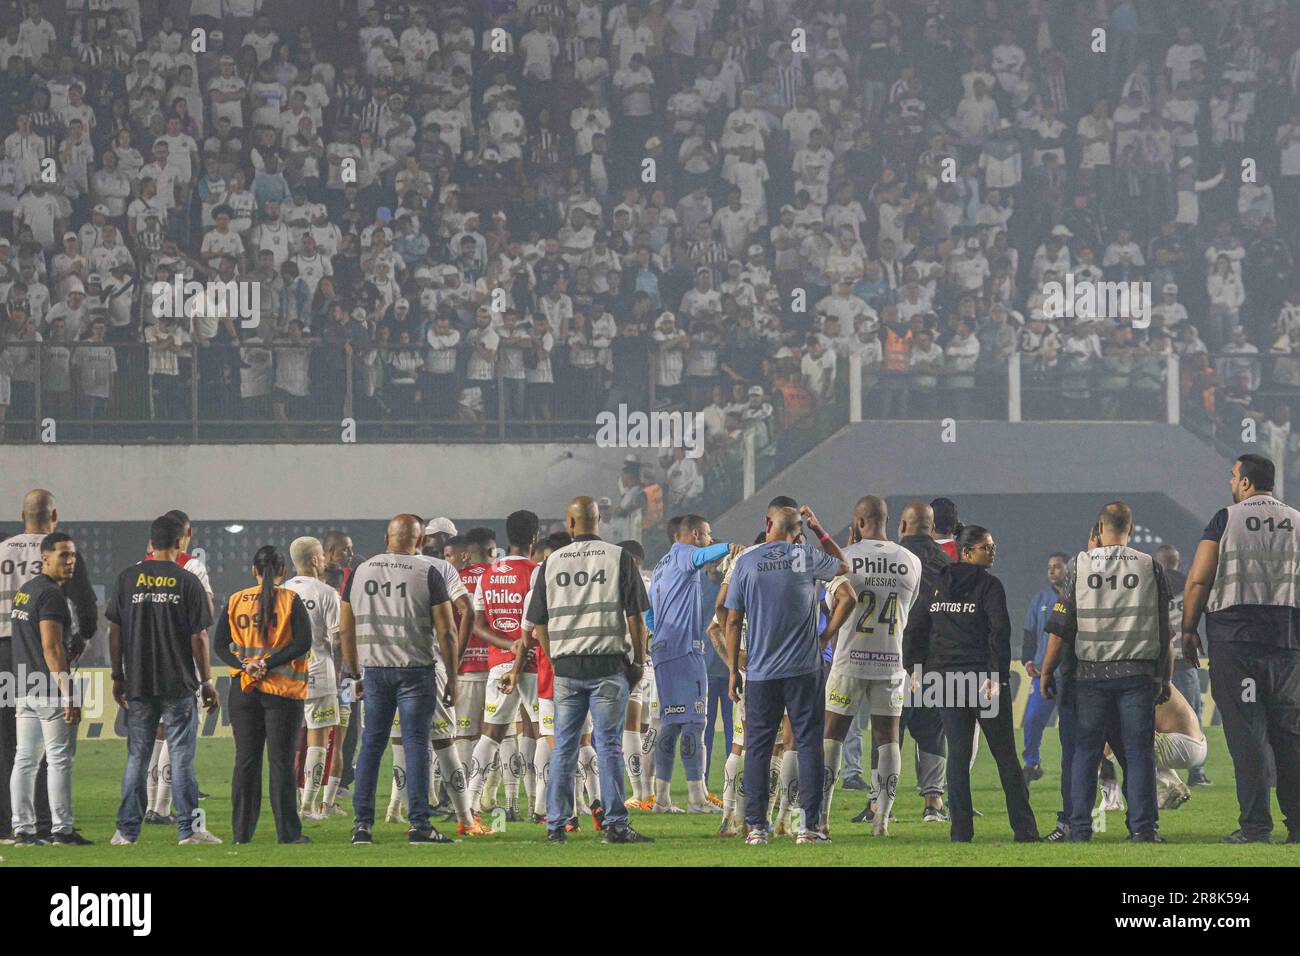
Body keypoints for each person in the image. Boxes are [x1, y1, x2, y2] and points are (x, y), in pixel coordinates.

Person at [1180, 454, 1300, 844]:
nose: (1231, 482)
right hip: (1287, 642)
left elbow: (1199, 580)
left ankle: (1255, 827)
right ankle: (1298, 826)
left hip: (1237, 642)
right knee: (1289, 734)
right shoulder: (1298, 520)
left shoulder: (1226, 518)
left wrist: (1188, 629)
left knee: (1247, 734)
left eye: (1234, 476)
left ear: (1246, 482)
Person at [524, 496, 653, 844]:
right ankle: (616, 825)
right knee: (608, 744)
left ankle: (556, 826)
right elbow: (636, 618)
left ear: (569, 523)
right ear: (599, 521)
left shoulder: (550, 564)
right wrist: (639, 661)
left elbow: (539, 624)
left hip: (566, 668)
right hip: (609, 665)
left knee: (563, 747)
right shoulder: (619, 557)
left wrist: (553, 659)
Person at [1041, 502, 1171, 843]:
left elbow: (1061, 626)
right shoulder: (1149, 566)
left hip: (1090, 676)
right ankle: (1143, 829)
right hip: (1137, 674)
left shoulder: (1079, 565)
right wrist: (1165, 678)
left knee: (1085, 752)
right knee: (1139, 752)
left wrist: (1046, 671)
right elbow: (1163, 631)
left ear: (1099, 529)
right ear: (1130, 528)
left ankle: (1080, 829)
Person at [903, 525, 1039, 843]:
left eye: (992, 546)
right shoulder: (989, 586)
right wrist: (997, 676)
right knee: (1005, 755)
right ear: (966, 551)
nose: (992, 552)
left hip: (945, 680)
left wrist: (915, 667)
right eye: (986, 547)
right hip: (981, 681)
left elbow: (916, 628)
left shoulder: (936, 584)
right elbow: (998, 632)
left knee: (958, 756)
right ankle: (1025, 830)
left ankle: (961, 832)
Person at [724, 504, 848, 845]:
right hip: (805, 669)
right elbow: (844, 566)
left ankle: (756, 829)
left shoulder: (746, 561)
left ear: (767, 523)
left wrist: (734, 669)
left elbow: (732, 620)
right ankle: (808, 828)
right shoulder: (804, 556)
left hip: (762, 672)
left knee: (758, 748)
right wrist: (820, 529)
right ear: (798, 529)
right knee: (808, 745)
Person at [339, 514, 459, 845]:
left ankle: (362, 825)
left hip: (374, 671)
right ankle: (419, 825)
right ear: (420, 542)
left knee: (372, 746)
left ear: (386, 538)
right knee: (417, 745)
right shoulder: (428, 572)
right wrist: (452, 677)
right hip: (416, 670)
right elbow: (447, 630)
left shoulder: (361, 572)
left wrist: (353, 671)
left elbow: (345, 627)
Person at [109, 514, 220, 845]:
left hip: (139, 682)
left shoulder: (128, 579)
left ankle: (126, 832)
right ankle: (189, 830)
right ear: (180, 542)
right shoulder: (187, 580)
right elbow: (199, 636)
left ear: (150, 542)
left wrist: (118, 675)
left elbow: (114, 631)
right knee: (182, 755)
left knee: (137, 757)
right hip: (179, 683)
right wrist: (207, 681)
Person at [820, 496, 922, 837]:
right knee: (887, 740)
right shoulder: (910, 560)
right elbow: (909, 607)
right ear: (887, 520)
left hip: (849, 658)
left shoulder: (845, 558)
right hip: (891, 660)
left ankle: (821, 819)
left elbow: (831, 604)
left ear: (858, 522)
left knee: (832, 734)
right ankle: (881, 822)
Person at [0, 489, 96, 845]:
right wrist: (69, 684)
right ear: (53, 515)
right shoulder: (55, 583)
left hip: (11, 660)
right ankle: (57, 826)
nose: (69, 561)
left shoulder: (9, 560)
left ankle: (17, 826)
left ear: (21, 514)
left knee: (17, 753)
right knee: (57, 757)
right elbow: (57, 640)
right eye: (65, 557)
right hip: (44, 664)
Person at [853, 502, 951, 825]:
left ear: (903, 526)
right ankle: (934, 802)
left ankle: (877, 806)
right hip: (933, 664)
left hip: (890, 658)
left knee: (886, 733)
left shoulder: (894, 558)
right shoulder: (947, 564)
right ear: (932, 527)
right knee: (933, 732)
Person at [214, 545, 313, 844]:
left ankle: (241, 833)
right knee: (282, 762)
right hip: (282, 691)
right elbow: (302, 643)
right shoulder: (290, 599)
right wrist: (268, 663)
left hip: (244, 690)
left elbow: (219, 645)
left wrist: (246, 665)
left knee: (246, 761)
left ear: (254, 570)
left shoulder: (235, 600)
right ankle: (287, 834)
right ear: (283, 571)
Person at [646, 514, 733, 814]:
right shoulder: (685, 553)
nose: (709, 539)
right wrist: (729, 547)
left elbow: (648, 613)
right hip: (685, 650)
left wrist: (659, 634)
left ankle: (662, 799)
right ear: (695, 534)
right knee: (695, 722)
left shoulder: (660, 567)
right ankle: (697, 798)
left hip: (663, 649)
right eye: (708, 534)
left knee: (670, 724)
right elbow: (704, 554)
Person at [466, 511, 541, 825]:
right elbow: (536, 624)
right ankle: (541, 809)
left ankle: (469, 804)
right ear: (534, 538)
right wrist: (519, 649)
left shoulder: (489, 574)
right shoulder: (537, 572)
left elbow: (477, 626)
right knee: (541, 733)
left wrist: (506, 646)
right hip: (533, 664)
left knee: (491, 735)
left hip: (499, 663)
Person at [281, 537, 343, 820]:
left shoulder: (280, 592)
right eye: (322, 557)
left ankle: (291, 804)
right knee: (319, 738)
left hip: (285, 675)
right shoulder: (326, 592)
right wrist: (343, 674)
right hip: (319, 671)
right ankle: (309, 806)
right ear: (316, 559)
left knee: (291, 739)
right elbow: (338, 639)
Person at [1155, 543, 1210, 787]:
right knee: (1192, 717)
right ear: (1177, 561)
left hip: (1157, 663)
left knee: (1155, 719)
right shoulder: (1190, 584)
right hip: (1184, 661)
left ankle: (1158, 771)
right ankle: (1196, 774)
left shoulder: (1149, 586)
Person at [1021, 552, 1071, 781]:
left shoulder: (1078, 597)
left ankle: (1074, 766)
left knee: (1072, 725)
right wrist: (1027, 660)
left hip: (1071, 675)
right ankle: (1032, 763)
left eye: (1057, 567)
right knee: (1032, 719)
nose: (1052, 571)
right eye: (1049, 567)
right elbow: (1029, 633)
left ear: (1068, 570)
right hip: (1043, 674)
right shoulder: (1039, 599)